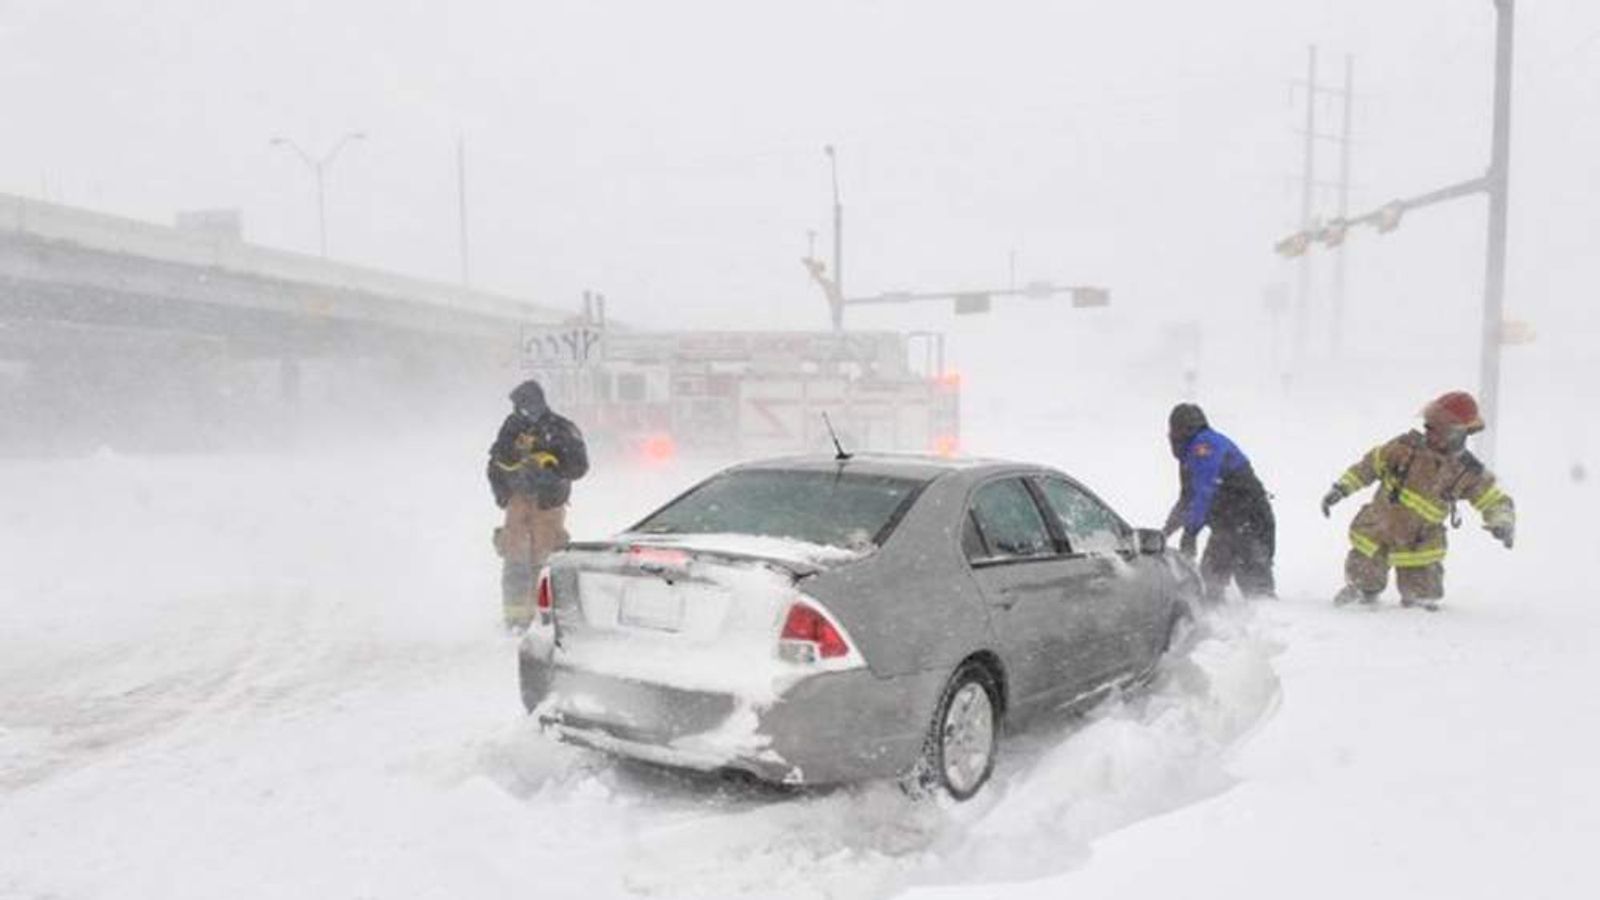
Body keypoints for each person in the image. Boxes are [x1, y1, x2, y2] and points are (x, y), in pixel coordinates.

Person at [1320, 390, 1515, 611]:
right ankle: (1361, 593)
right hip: (1378, 529)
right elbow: (1369, 466)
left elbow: (1493, 499)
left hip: (1420, 544)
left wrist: (1502, 521)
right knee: (1363, 570)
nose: (1428, 432)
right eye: (1428, 426)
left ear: (1457, 433)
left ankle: (1421, 613)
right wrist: (1341, 488)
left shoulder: (1466, 471)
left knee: (1422, 598)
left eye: (1436, 429)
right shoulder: (1404, 448)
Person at [488, 379, 589, 629]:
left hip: (548, 504)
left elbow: (579, 466)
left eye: (525, 404)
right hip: (517, 502)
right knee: (515, 559)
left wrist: (552, 472)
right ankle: (515, 618)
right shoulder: (511, 428)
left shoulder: (561, 428)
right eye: (519, 406)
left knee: (547, 558)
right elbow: (495, 464)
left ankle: (548, 617)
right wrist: (504, 494)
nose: (522, 411)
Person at [1163, 403, 1277, 603]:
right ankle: (1219, 620)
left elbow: (1204, 491)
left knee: (1255, 588)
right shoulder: (1191, 455)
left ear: (1181, 430)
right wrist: (1165, 532)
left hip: (1248, 522)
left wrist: (1190, 532)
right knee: (1210, 580)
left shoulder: (1204, 446)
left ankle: (1270, 620)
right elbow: (1187, 499)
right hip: (1230, 525)